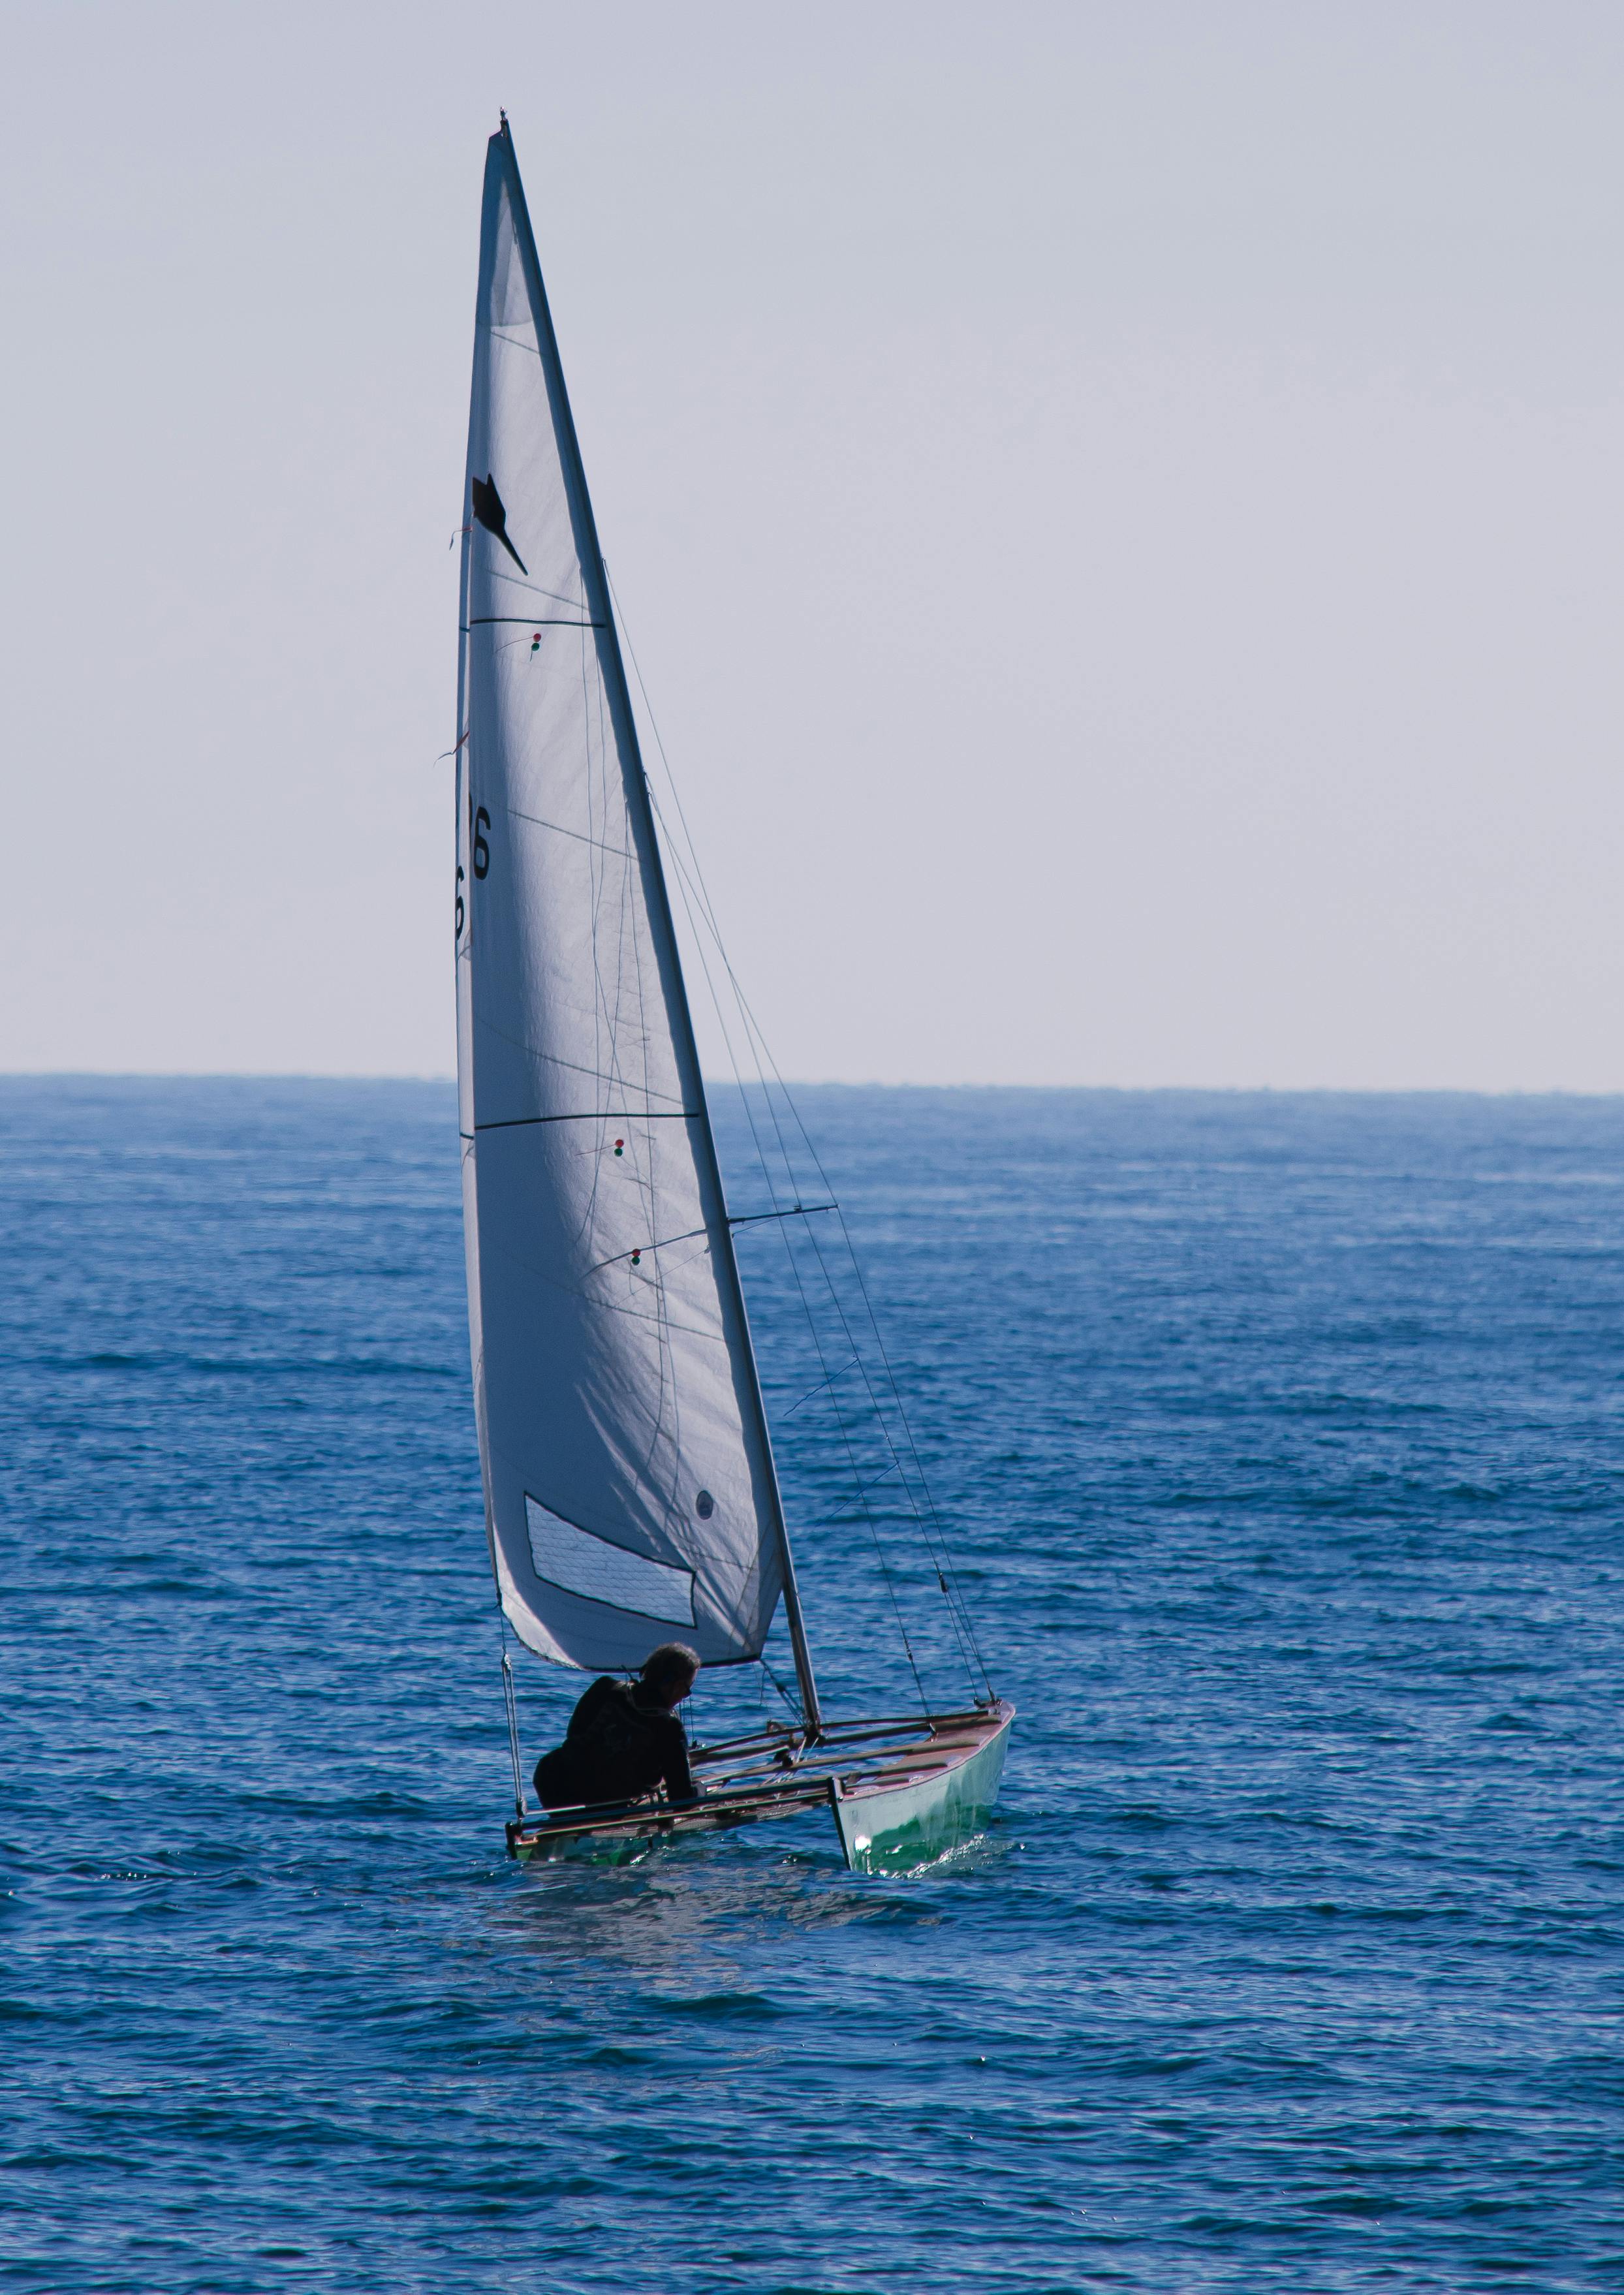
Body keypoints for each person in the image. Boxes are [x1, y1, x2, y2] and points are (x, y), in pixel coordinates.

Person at [532, 1642, 702, 1812]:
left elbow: (574, 1733)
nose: (683, 1696)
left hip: (553, 1782)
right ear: (678, 1686)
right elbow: (682, 1800)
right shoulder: (670, 1728)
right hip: (603, 1803)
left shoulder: (604, 1687)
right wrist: (700, 1790)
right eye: (687, 1691)